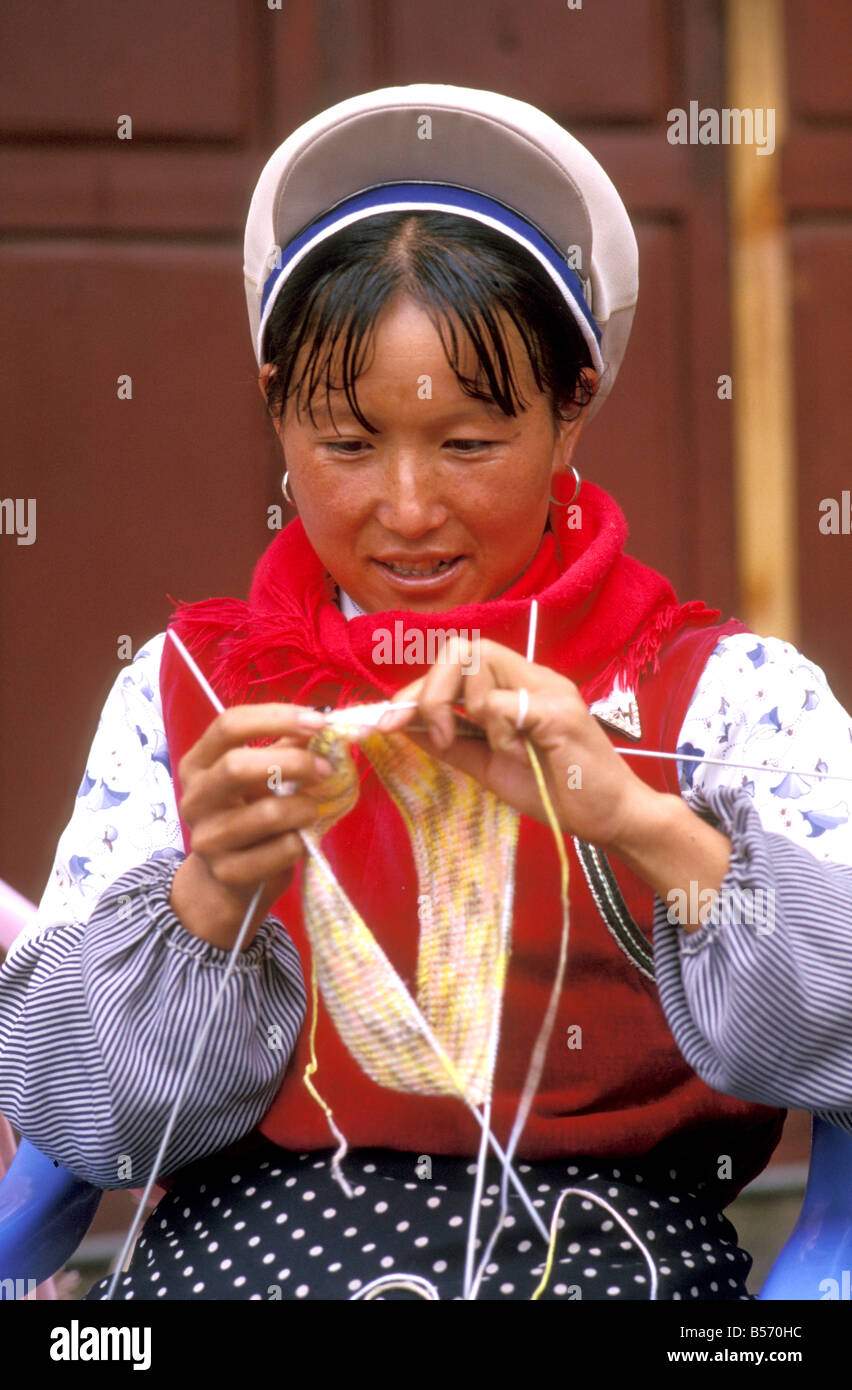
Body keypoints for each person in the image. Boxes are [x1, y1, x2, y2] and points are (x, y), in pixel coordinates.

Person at [2, 85, 852, 1303]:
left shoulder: (720, 699)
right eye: (346, 445)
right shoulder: (184, 693)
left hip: (606, 1261)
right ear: (274, 404)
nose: (405, 509)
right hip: (240, 1266)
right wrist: (211, 895)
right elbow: (83, 1126)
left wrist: (639, 822)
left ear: (572, 414)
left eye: (467, 444)